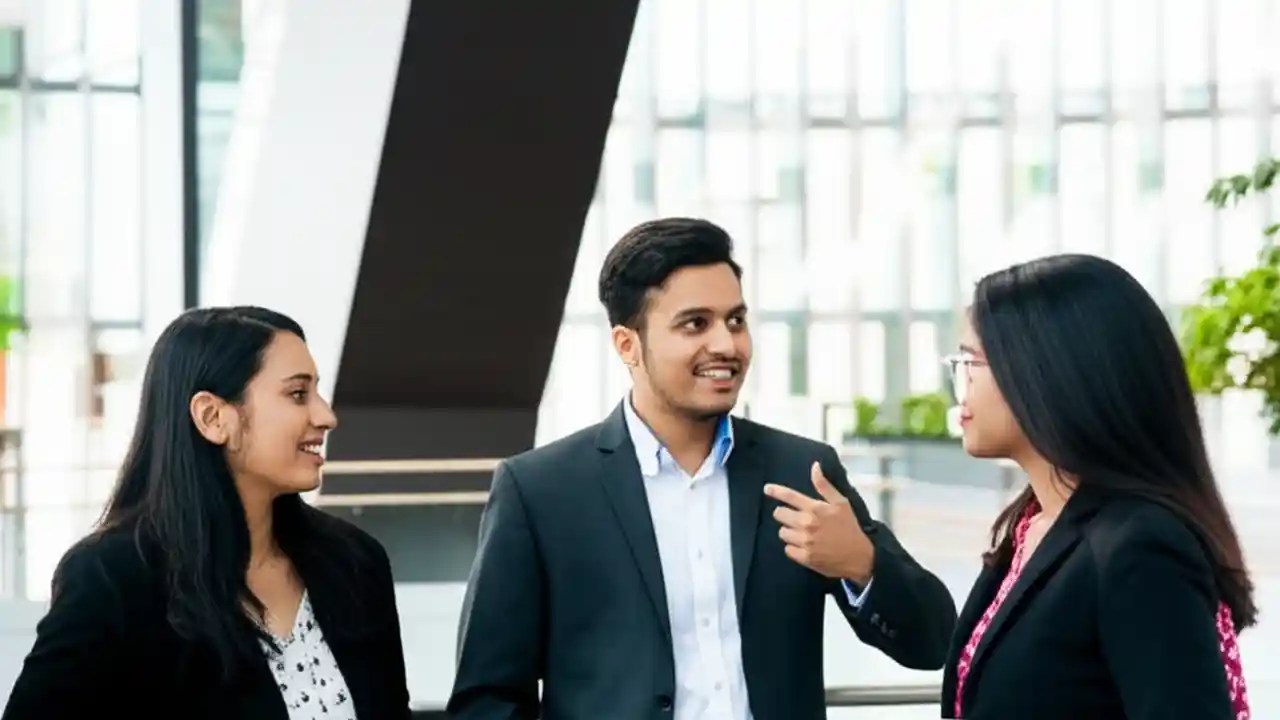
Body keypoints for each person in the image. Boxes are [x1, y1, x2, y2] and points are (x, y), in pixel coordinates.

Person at [448, 218, 956, 720]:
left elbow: (934, 643)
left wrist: (862, 564)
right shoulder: (542, 492)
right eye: (695, 324)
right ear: (627, 345)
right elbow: (488, 698)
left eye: (735, 321)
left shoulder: (803, 473)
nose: (726, 345)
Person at [2, 307, 410, 719]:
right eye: (297, 394)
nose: (326, 416)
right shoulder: (111, 579)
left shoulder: (355, 563)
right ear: (213, 418)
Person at [940, 254, 1255, 719]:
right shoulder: (1033, 525)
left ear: (1044, 372)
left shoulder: (1140, 546)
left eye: (972, 362)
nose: (959, 384)